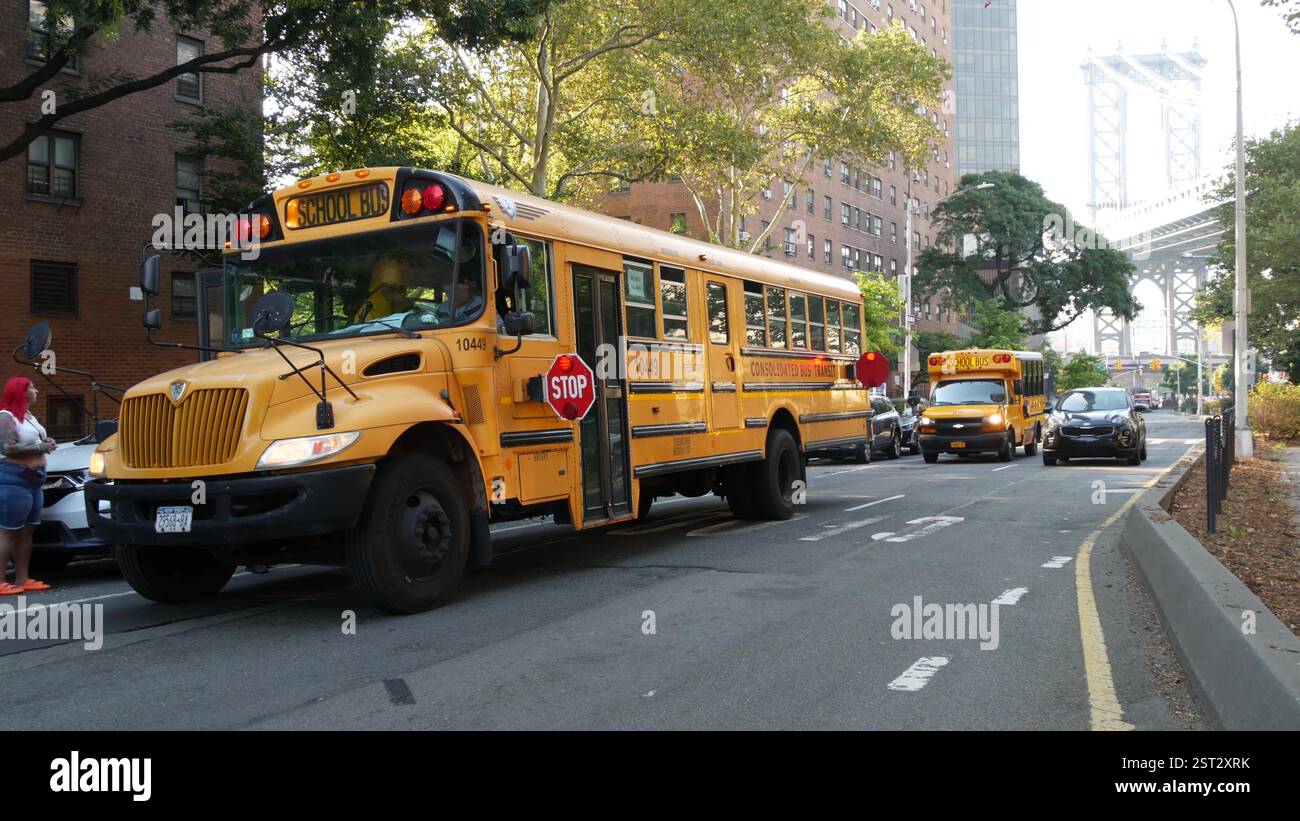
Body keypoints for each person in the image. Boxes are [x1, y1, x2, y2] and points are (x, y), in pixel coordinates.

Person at [0, 376, 55, 595]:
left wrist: (46, 442)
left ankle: (23, 578)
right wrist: (40, 446)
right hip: (14, 479)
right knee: (7, 532)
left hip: (34, 481)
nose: (36, 391)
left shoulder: (29, 416)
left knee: (26, 531)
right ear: (20, 392)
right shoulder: (5, 417)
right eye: (32, 387)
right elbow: (7, 448)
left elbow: (35, 442)